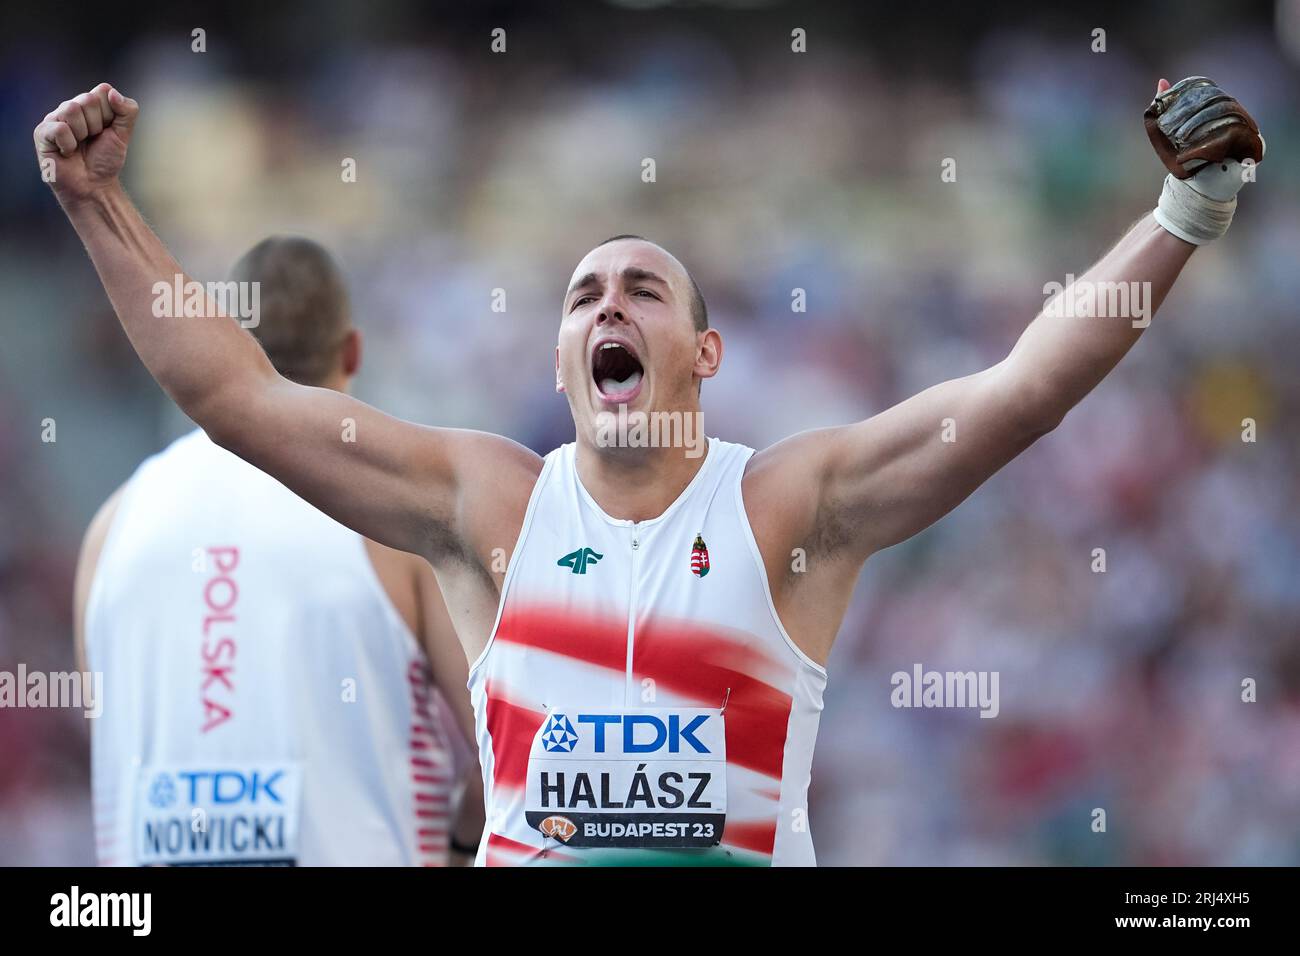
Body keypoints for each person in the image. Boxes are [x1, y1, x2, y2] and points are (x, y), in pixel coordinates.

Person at [37, 76, 1264, 865]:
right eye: (581, 293)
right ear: (564, 357)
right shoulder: (488, 505)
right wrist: (97, 202)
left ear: (703, 351)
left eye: (643, 286)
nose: (608, 301)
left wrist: (1184, 215)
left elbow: (1024, 390)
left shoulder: (794, 505)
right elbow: (235, 394)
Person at [72, 236, 484, 866]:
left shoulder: (110, 526)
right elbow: (502, 755)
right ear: (352, 352)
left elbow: (109, 741)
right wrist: (456, 850)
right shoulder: (393, 518)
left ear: (222, 342)